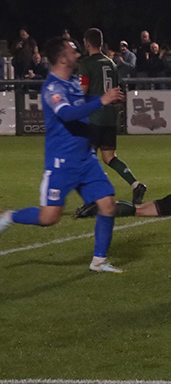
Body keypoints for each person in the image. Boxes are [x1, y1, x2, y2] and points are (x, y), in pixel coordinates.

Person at [0, 37, 126, 273]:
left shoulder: (71, 83)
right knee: (49, 218)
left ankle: (98, 262)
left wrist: (107, 99)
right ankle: (9, 216)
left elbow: (81, 101)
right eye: (73, 51)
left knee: (108, 204)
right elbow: (67, 113)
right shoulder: (53, 87)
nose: (78, 54)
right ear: (62, 58)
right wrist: (102, 100)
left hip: (86, 158)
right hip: (62, 163)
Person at [79, 28, 147, 204]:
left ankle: (95, 198)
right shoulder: (112, 64)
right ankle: (136, 184)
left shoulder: (86, 64)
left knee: (86, 158)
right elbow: (117, 93)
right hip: (110, 116)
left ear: (86, 43)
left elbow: (82, 91)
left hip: (94, 116)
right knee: (109, 157)